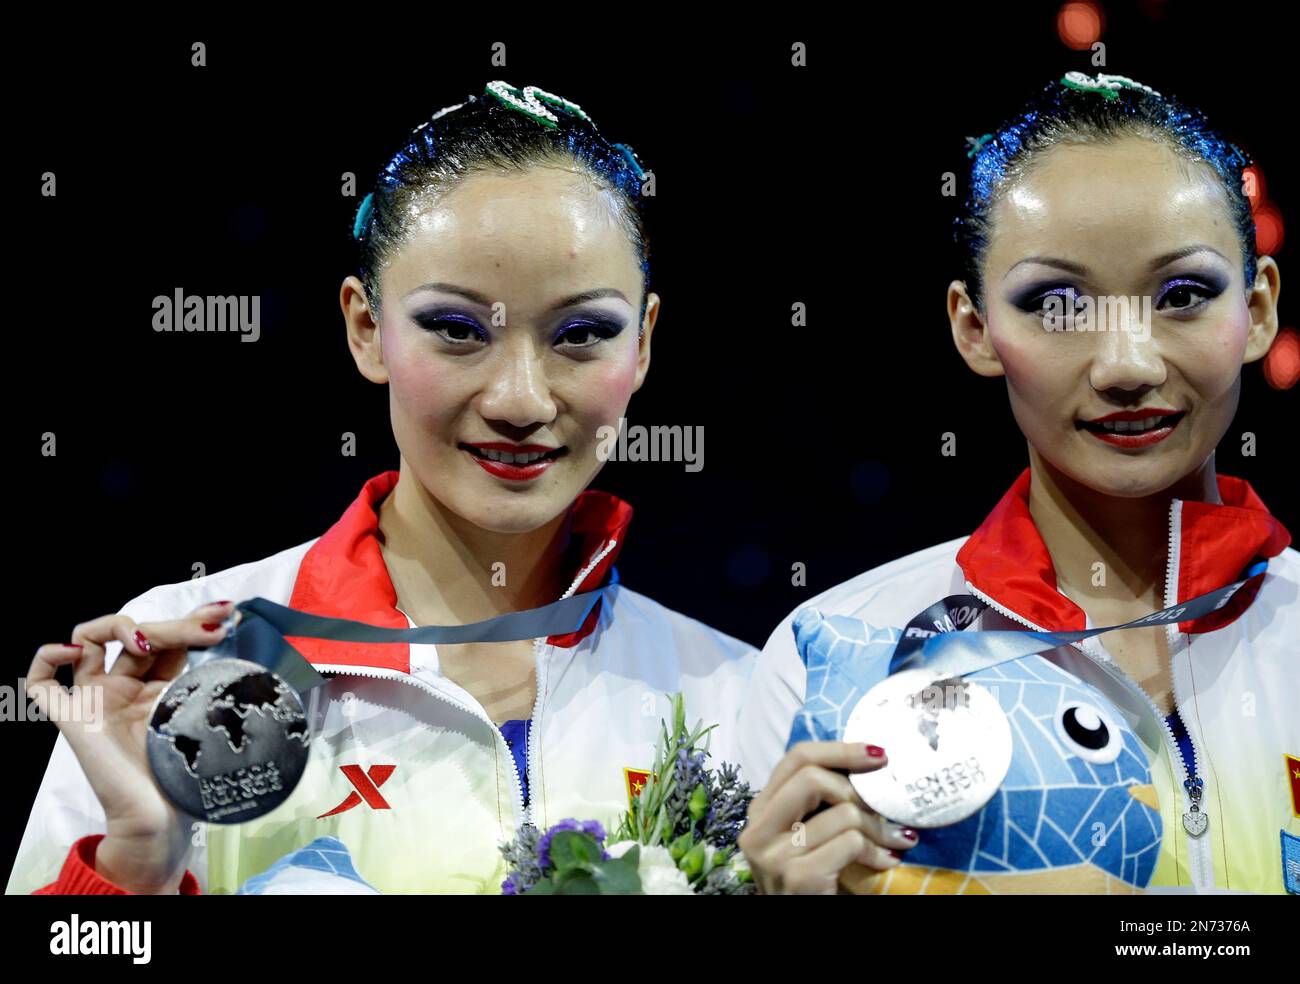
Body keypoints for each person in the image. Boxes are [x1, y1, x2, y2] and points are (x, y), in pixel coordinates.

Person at [8, 81, 757, 896]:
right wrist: (136, 863)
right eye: (456, 330)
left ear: (642, 344)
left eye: (582, 334)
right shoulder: (181, 671)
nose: (520, 401)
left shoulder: (742, 695)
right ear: (367, 329)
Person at [737, 72, 1295, 895]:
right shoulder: (841, 658)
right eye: (1058, 305)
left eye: (1182, 295)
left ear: (1258, 310)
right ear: (975, 328)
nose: (1128, 366)